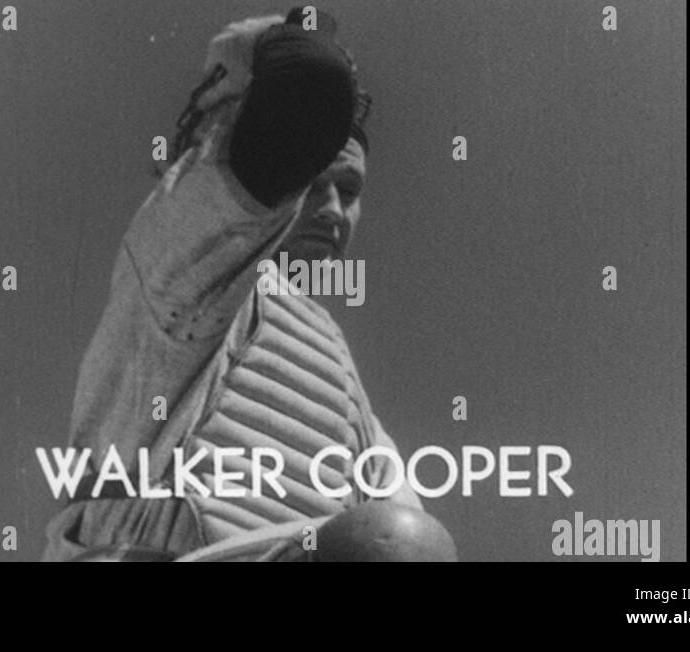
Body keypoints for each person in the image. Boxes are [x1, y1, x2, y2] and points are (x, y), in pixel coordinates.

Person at [42, 8, 450, 562]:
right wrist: (299, 44)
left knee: (408, 542)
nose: (332, 210)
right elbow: (298, 92)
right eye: (313, 180)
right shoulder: (175, 271)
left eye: (349, 190)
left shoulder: (342, 382)